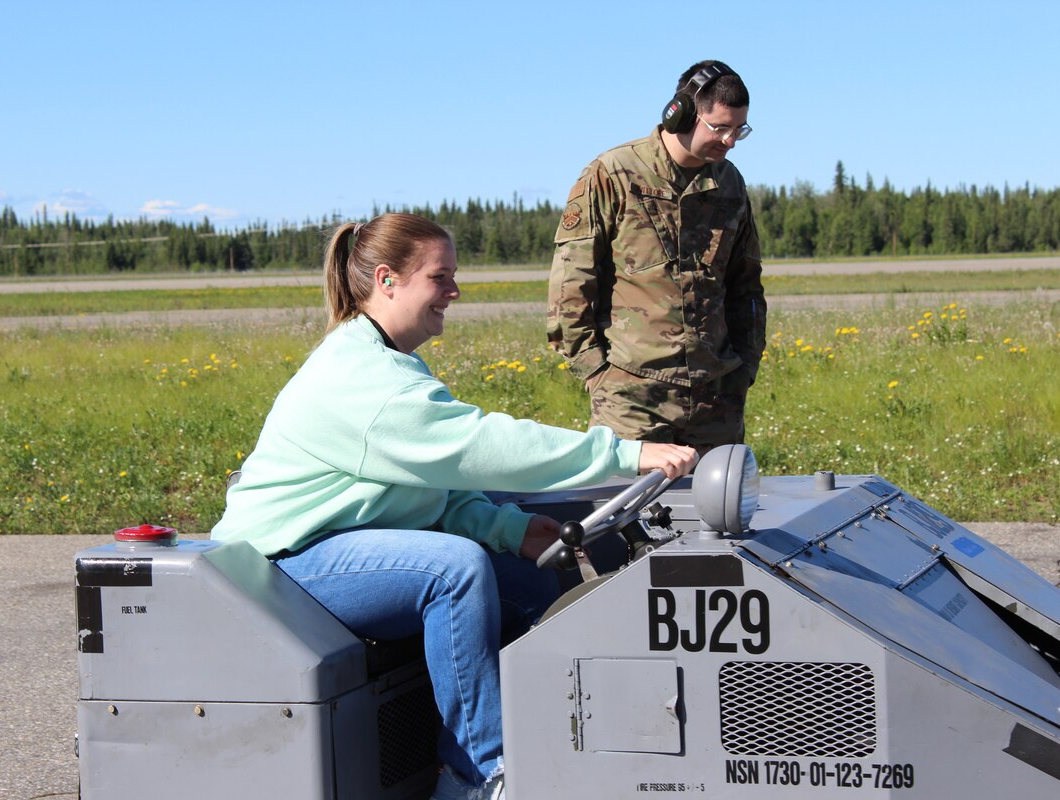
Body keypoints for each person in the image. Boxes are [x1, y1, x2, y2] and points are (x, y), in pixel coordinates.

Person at [212, 212, 696, 800]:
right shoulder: (360, 376)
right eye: (440, 277)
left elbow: (435, 483)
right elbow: (477, 446)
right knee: (453, 570)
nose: (455, 291)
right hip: (284, 564)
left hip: (338, 548)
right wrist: (625, 454)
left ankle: (544, 732)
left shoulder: (394, 362)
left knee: (526, 577)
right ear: (387, 280)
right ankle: (481, 776)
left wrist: (507, 528)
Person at [547, 59, 767, 456]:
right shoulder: (613, 175)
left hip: (717, 401)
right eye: (720, 128)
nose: (730, 141)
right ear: (680, 113)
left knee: (721, 514)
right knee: (628, 516)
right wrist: (598, 375)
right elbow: (571, 288)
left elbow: (746, 286)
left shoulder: (729, 182)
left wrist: (745, 367)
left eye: (740, 130)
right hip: (632, 402)